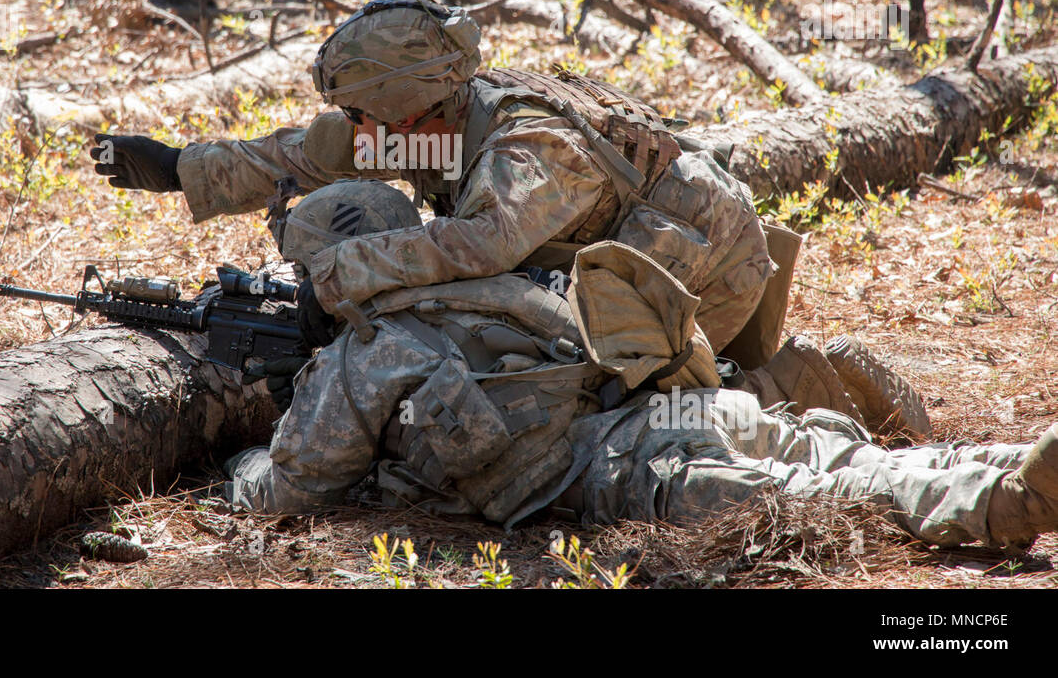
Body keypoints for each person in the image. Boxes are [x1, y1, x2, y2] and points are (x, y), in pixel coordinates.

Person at [90, 0, 925, 434]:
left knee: (551, 402)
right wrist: (175, 170)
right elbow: (309, 156)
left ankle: (787, 388)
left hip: (703, 266)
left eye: (364, 120)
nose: (357, 136)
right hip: (635, 245)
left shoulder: (523, 149)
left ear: (407, 115)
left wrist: (340, 274)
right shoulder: (431, 123)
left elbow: (481, 244)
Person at [223, 179, 1058, 552]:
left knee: (826, 491)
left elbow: (290, 490)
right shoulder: (507, 275)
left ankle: (1007, 501)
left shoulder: (373, 352)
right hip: (690, 408)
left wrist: (242, 459)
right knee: (843, 456)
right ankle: (1002, 463)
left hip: (631, 466)